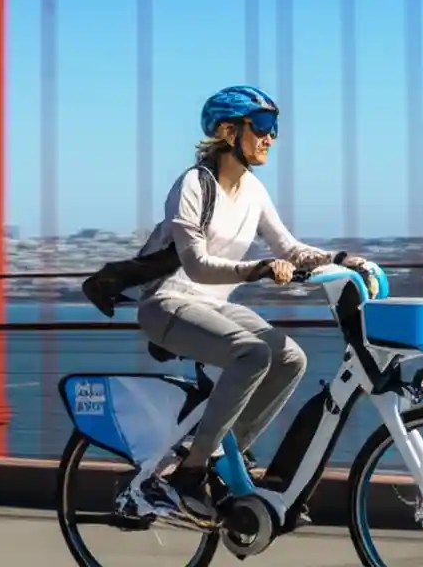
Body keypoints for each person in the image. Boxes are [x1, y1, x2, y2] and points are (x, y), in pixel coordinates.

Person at [135, 84, 380, 522]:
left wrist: (342, 260)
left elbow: (289, 247)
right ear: (229, 132)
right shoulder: (192, 185)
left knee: (290, 357)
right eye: (263, 126)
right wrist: (257, 269)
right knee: (252, 354)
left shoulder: (253, 190)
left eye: (275, 128)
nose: (271, 137)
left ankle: (221, 459)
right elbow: (196, 267)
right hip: (168, 303)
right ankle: (189, 473)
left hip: (212, 307)